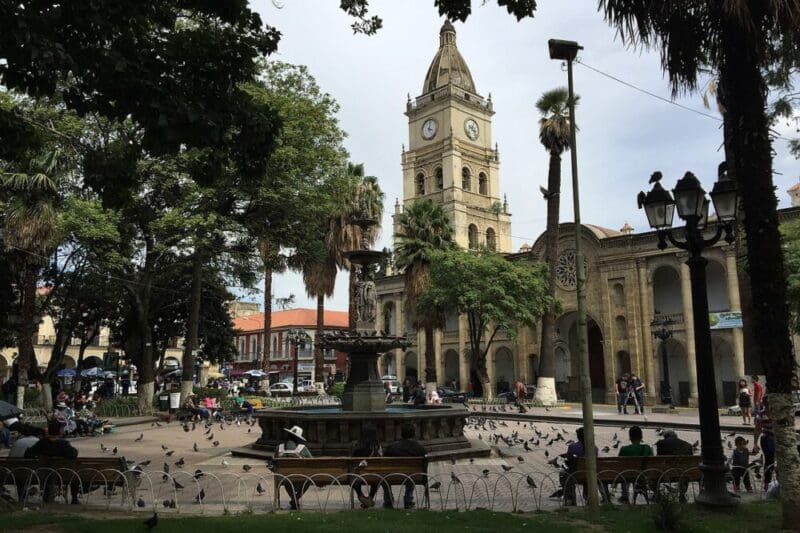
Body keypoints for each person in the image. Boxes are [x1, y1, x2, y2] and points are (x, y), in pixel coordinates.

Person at [25, 417, 80, 504]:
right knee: (75, 475)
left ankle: (47, 497)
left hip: (43, 474)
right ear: (59, 431)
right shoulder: (64, 444)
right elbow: (74, 454)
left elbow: (28, 454)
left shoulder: (41, 443)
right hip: (62, 475)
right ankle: (74, 499)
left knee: (49, 474)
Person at [382, 423, 426, 509]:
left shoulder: (392, 447)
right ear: (413, 434)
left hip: (393, 476)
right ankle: (408, 500)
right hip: (414, 476)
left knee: (384, 476)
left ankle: (388, 500)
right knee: (411, 472)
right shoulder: (419, 448)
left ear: (401, 434)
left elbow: (385, 458)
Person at [276, 425, 312, 510]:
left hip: (284, 478)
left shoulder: (279, 448)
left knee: (286, 479)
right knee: (308, 480)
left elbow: (273, 463)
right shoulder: (302, 449)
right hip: (301, 477)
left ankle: (294, 500)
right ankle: (295, 499)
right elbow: (312, 462)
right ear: (298, 438)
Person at [654, 430, 693, 502]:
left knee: (653, 475)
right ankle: (682, 494)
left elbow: (659, 460)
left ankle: (657, 494)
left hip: (665, 475)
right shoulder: (688, 445)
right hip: (684, 474)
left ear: (666, 437)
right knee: (683, 472)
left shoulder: (661, 443)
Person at [617, 426, 653, 503]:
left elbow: (619, 462)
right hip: (643, 474)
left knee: (625, 472)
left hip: (628, 475)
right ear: (641, 437)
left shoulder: (624, 449)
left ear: (630, 437)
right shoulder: (647, 448)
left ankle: (625, 496)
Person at [351, 424, 382, 508]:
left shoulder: (356, 446)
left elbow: (352, 461)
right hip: (374, 476)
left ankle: (360, 495)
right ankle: (370, 497)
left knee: (352, 475)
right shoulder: (377, 447)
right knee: (376, 476)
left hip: (357, 478)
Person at [752, 395, 776, 491]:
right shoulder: (761, 415)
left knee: (779, 461)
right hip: (766, 440)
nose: (769, 405)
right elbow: (757, 429)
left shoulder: (778, 413)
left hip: (777, 440)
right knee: (769, 461)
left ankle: (777, 481)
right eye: (767, 403)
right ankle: (767, 483)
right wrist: (755, 443)